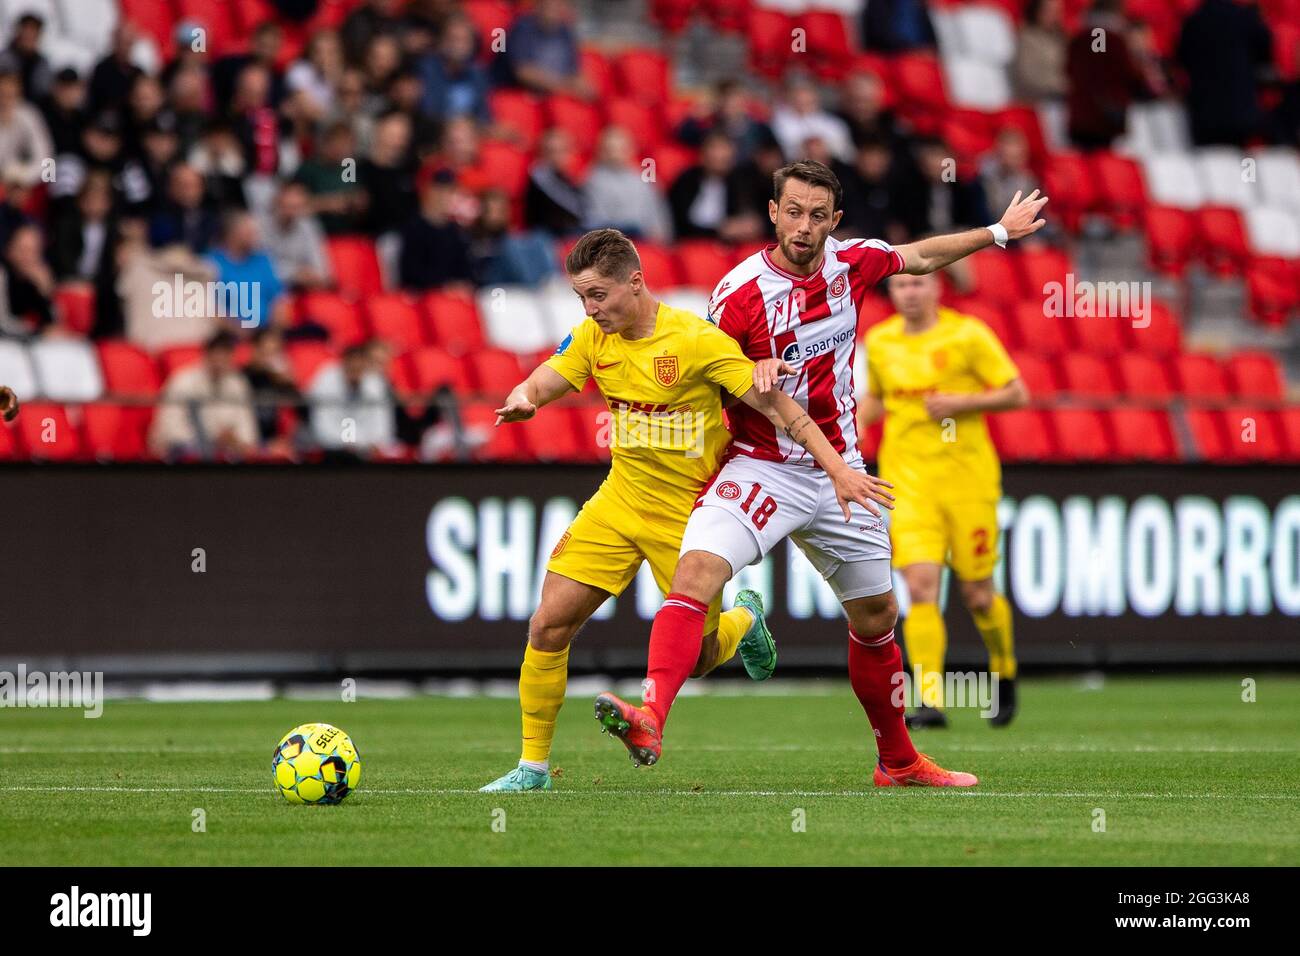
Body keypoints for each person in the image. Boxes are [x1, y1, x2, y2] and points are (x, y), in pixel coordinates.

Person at [592, 161, 1046, 786]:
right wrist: (745, 382)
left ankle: (899, 762)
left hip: (843, 470)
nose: (804, 227)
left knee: (878, 617)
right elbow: (706, 384)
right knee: (697, 570)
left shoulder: (853, 263)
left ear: (834, 221)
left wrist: (996, 232)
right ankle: (651, 716)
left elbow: (916, 256)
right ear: (773, 214)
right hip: (762, 465)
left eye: (817, 216)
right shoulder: (739, 295)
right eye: (793, 212)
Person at [478, 227, 840, 792]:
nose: (590, 309)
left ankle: (745, 619)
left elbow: (764, 398)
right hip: (619, 503)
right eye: (581, 297)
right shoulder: (595, 337)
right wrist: (526, 397)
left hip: (690, 516)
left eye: (598, 295)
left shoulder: (695, 340)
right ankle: (532, 769)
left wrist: (832, 462)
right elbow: (550, 376)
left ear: (636, 282)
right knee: (548, 625)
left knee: (694, 662)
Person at [859, 271, 1030, 729]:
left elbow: (1017, 393)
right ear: (891, 293)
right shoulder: (880, 342)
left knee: (977, 594)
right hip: (908, 483)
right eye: (901, 286)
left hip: (967, 482)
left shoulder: (968, 335)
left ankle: (1005, 670)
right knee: (920, 590)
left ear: (937, 288)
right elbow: (878, 398)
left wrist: (961, 403)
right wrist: (851, 430)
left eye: (918, 284)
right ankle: (929, 701)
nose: (910, 293)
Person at [149, 330, 259, 459]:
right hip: (184, 452)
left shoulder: (238, 384)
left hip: (228, 453)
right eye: (217, 354)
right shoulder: (182, 380)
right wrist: (211, 439)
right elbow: (168, 429)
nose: (220, 360)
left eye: (226, 355)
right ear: (206, 354)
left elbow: (248, 430)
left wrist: (237, 441)